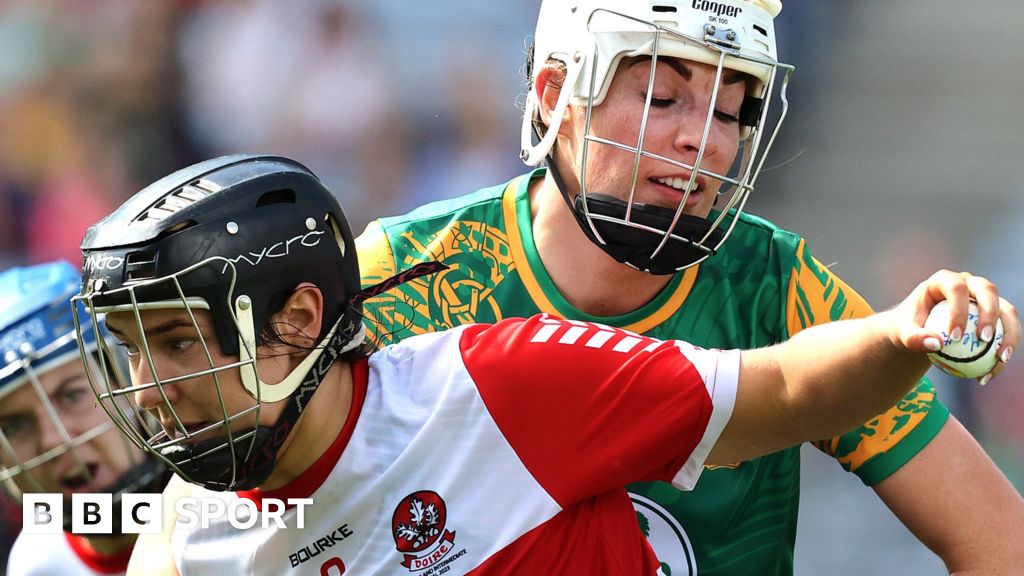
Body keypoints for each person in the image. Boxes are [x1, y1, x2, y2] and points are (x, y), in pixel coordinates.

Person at [71, 154, 1018, 575]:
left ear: (301, 317)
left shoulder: (500, 385)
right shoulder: (188, 539)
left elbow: (786, 389)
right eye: (132, 349)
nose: (149, 386)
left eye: (177, 341)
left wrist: (897, 334)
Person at [354, 0, 1024, 573]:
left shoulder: (778, 288)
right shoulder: (400, 278)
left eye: (730, 110)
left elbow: (1000, 541)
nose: (703, 141)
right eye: (662, 98)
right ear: (557, 95)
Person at [0, 261, 167, 575]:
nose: (53, 439)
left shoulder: (233, 512)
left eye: (72, 394)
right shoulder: (36, 564)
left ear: (127, 380)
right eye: (14, 425)